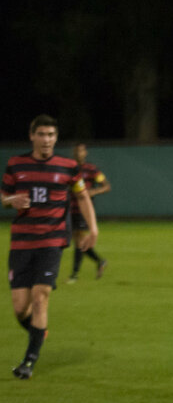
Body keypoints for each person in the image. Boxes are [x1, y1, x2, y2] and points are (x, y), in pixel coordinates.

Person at [1, 115, 99, 379]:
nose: (46, 140)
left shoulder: (68, 167)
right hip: (21, 242)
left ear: (56, 138)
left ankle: (29, 362)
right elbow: (3, 197)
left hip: (52, 241)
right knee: (20, 307)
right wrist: (12, 200)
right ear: (32, 136)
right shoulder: (15, 164)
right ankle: (39, 332)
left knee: (40, 296)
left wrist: (93, 228)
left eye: (51, 135)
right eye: (42, 134)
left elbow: (82, 196)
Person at [67, 143, 110, 282]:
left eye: (81, 150)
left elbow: (106, 186)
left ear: (85, 152)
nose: (78, 153)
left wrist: (93, 191)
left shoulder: (91, 169)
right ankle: (99, 261)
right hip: (71, 208)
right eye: (76, 150)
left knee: (79, 240)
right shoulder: (70, 168)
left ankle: (74, 274)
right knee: (78, 241)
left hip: (84, 209)